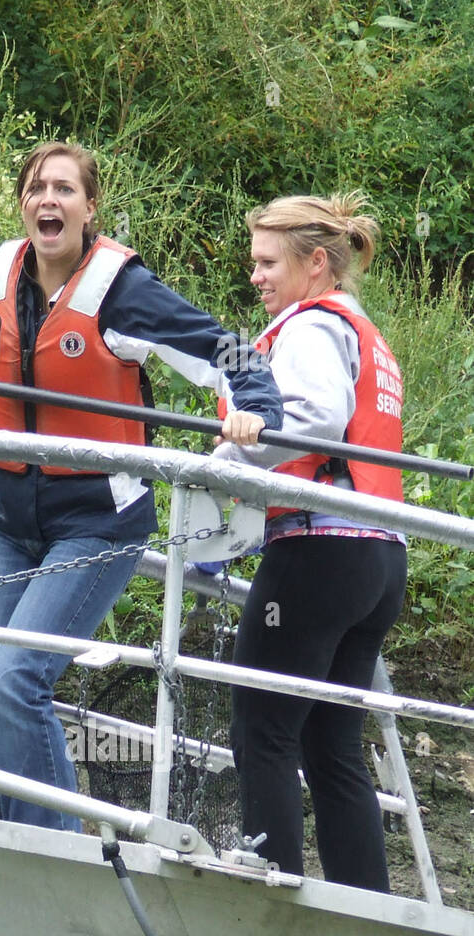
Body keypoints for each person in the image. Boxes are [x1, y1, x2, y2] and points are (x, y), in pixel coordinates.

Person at [0, 141, 283, 830]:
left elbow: (227, 350)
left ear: (90, 209)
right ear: (22, 205)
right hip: (15, 525)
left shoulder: (122, 291)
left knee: (15, 682)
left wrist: (257, 410)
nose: (48, 200)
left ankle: (60, 851)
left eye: (64, 189)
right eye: (36, 188)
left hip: (99, 524)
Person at [213, 192, 404, 892]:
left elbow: (313, 416)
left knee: (262, 731)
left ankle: (273, 898)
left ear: (316, 262)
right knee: (332, 746)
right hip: (377, 561)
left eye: (267, 263)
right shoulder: (365, 332)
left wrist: (224, 457)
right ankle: (364, 915)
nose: (255, 276)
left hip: (318, 550)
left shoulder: (312, 329)